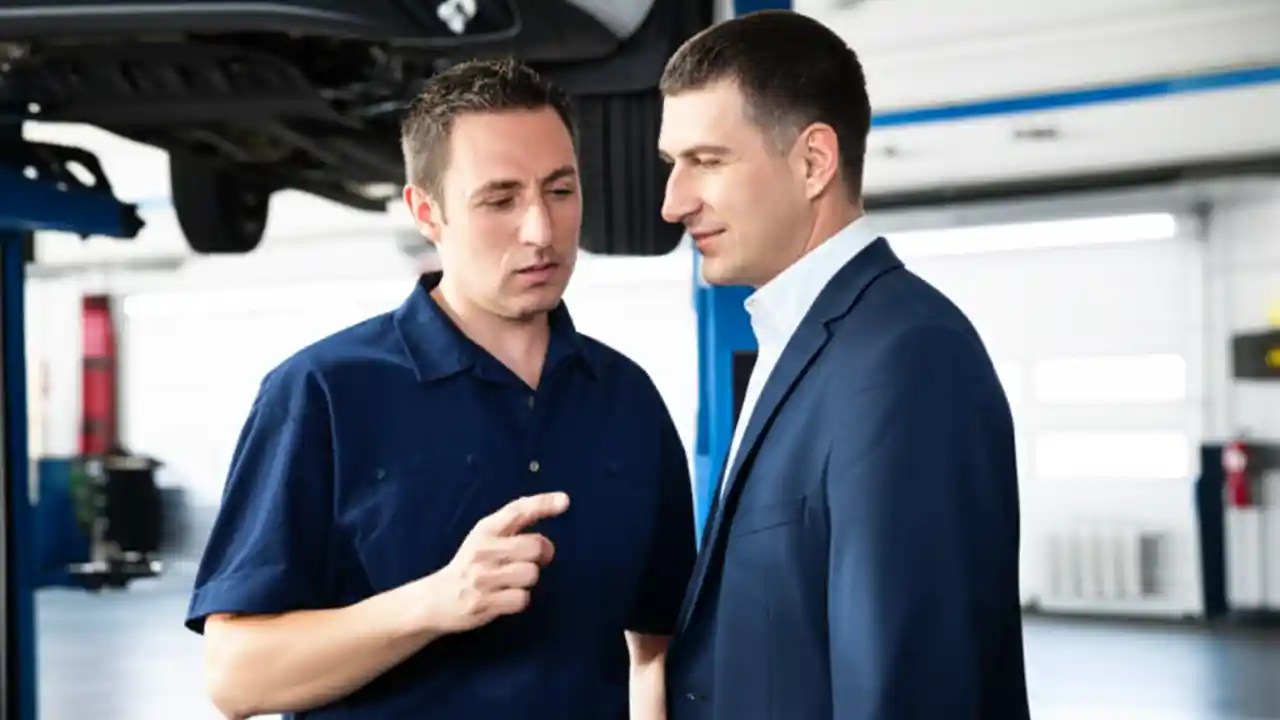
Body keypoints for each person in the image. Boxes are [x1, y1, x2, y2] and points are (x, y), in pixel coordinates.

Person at [186, 58, 696, 720]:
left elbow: (655, 648)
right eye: (500, 199)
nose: (540, 231)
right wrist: (435, 602)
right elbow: (237, 678)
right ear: (427, 211)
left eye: (560, 191)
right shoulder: (321, 394)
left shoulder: (627, 399)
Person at [656, 11, 1030, 720]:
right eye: (671, 164)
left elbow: (917, 688)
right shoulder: (798, 342)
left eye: (706, 160)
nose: (674, 201)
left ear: (813, 163)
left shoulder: (905, 359)